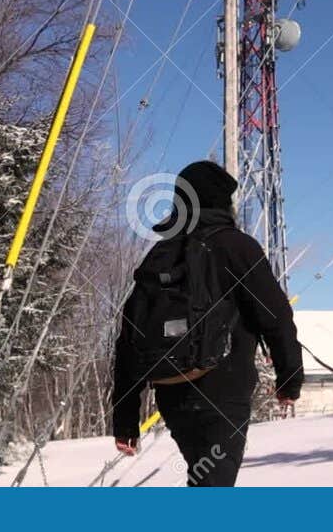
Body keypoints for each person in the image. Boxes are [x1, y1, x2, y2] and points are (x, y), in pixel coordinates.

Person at [110, 160, 302, 486]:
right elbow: (276, 316)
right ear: (222, 202)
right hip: (223, 388)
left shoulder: (160, 254)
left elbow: (129, 336)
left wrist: (125, 416)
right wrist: (289, 378)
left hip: (171, 390)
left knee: (205, 480)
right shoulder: (236, 246)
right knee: (212, 485)